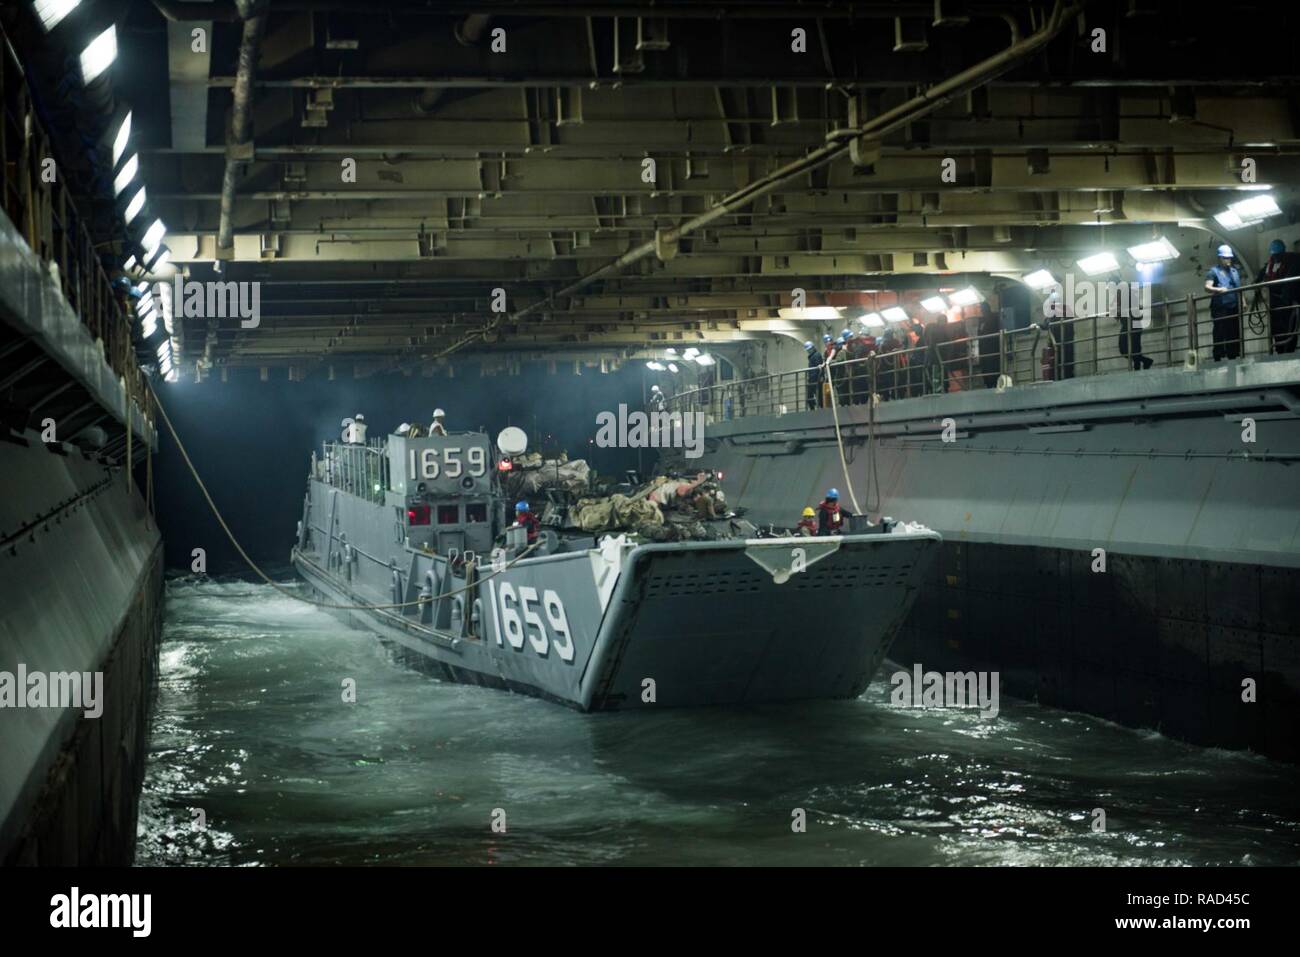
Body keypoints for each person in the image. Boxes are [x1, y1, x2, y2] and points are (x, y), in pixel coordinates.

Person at [1256, 239, 1300, 354]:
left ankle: (1289, 351)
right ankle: (1279, 350)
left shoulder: (1293, 261)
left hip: (1288, 304)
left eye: (1278, 255)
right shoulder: (1269, 265)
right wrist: (1257, 285)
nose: (1276, 257)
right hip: (1275, 305)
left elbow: (1291, 283)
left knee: (1290, 329)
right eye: (1274, 255)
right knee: (1277, 330)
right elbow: (1259, 278)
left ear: (1283, 253)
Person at [1205, 244, 1243, 360]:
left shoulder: (1234, 271)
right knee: (1220, 332)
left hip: (1233, 307)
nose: (1228, 260)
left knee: (1234, 331)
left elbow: (1239, 288)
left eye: (1229, 258)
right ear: (1220, 258)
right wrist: (1219, 289)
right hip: (1220, 308)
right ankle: (1218, 355)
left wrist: (1243, 301)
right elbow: (1207, 287)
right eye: (1225, 258)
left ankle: (1233, 354)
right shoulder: (1213, 272)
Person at [1111, 272, 1153, 370]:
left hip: (1131, 323)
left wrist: (1116, 311)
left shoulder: (1122, 291)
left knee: (1126, 348)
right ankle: (1143, 363)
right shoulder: (1125, 290)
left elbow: (1118, 311)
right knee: (1133, 348)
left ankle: (1142, 364)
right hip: (1133, 323)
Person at [803, 340, 822, 410]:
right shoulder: (813, 356)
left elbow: (818, 367)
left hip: (815, 379)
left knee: (816, 396)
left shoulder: (816, 355)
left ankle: (816, 408)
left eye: (809, 349)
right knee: (812, 396)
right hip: (813, 379)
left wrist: (817, 378)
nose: (809, 351)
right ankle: (815, 408)